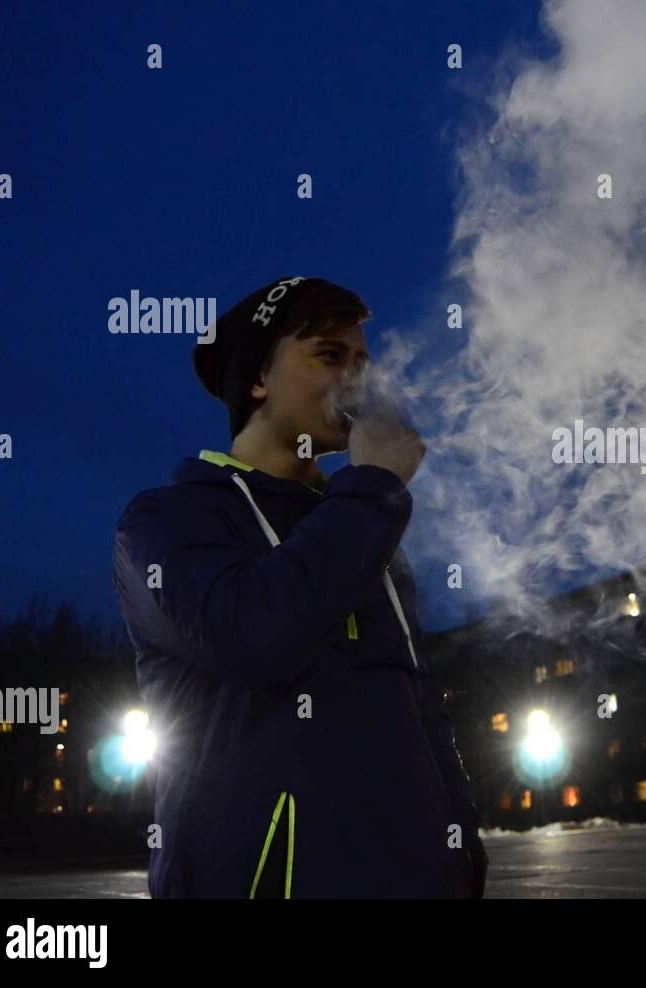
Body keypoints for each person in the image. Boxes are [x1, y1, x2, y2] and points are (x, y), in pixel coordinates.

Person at [112, 275, 486, 897]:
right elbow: (257, 635)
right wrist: (371, 493)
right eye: (330, 356)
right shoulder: (167, 520)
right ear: (259, 377)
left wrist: (461, 854)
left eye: (363, 362)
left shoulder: (367, 529)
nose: (357, 380)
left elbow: (421, 707)